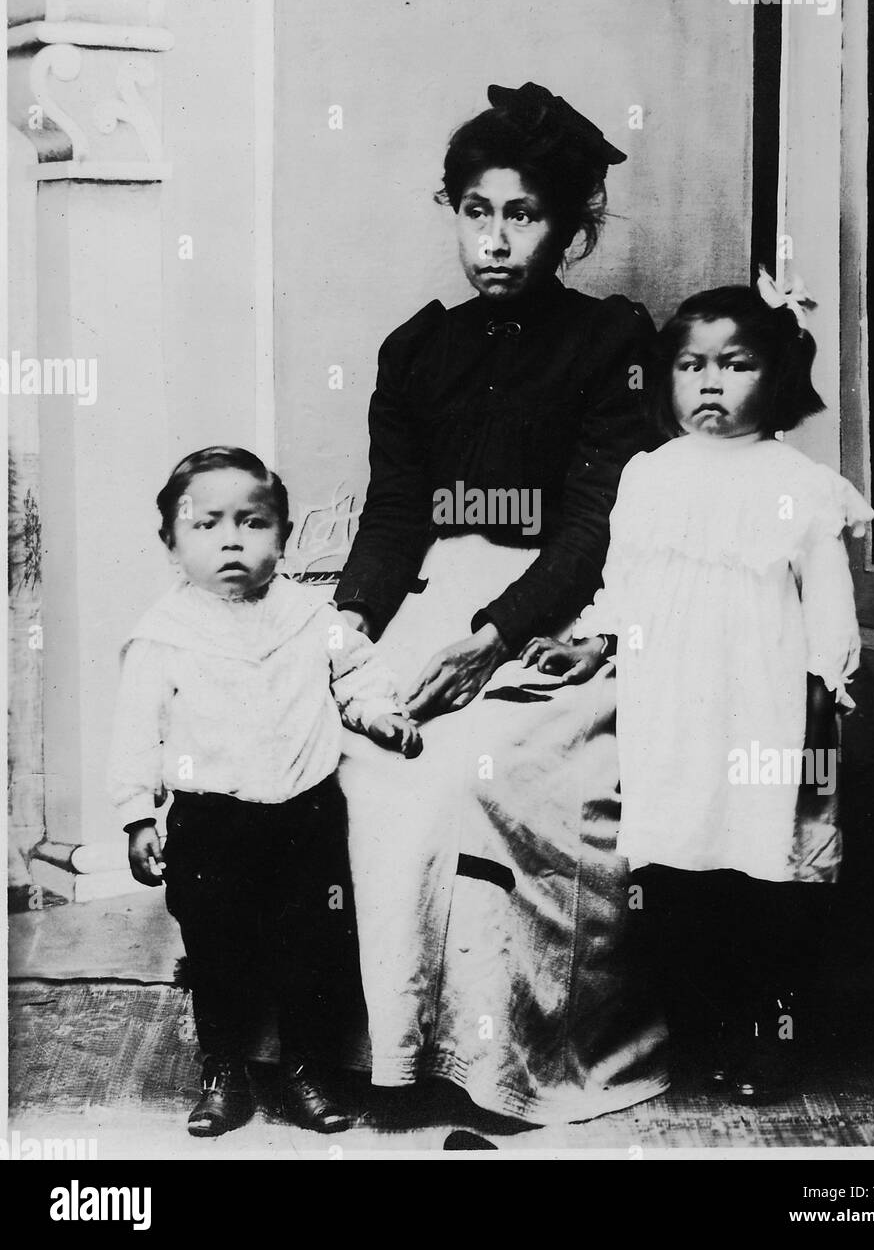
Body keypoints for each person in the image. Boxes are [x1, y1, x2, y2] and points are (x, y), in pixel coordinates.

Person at [333, 83, 667, 1123]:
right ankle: (375, 1051)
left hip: (553, 614)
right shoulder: (414, 351)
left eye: (522, 215)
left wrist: (491, 641)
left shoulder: (610, 344)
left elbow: (589, 528)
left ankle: (484, 1063)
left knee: (464, 777)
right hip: (429, 599)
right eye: (476, 211)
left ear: (569, 230)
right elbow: (393, 518)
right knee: (350, 761)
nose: (493, 239)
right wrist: (347, 625)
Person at [523, 271, 873, 1101]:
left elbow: (829, 603)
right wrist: (595, 643)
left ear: (778, 376)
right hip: (673, 702)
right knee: (679, 867)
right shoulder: (650, 475)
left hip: (766, 704)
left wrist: (826, 690)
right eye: (690, 365)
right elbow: (626, 582)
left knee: (769, 870)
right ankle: (704, 1029)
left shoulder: (797, 483)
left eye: (736, 363)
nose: (710, 381)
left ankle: (772, 1034)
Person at [107, 446, 421, 1137]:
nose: (230, 539)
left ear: (282, 536)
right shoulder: (164, 634)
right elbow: (138, 733)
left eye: (252, 523)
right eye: (205, 524)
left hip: (304, 816)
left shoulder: (312, 616)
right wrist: (137, 817)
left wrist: (378, 712)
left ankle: (309, 1070)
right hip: (210, 820)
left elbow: (358, 673)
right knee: (217, 947)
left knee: (314, 945)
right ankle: (225, 1072)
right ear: (171, 543)